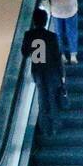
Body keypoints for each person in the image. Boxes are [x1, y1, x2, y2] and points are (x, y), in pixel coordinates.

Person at [22, 8, 68, 138]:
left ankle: (45, 128)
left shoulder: (28, 35)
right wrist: (62, 76)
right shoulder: (52, 36)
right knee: (52, 98)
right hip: (52, 71)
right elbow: (57, 57)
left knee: (42, 99)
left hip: (38, 71)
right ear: (45, 21)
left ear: (34, 21)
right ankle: (56, 126)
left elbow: (24, 53)